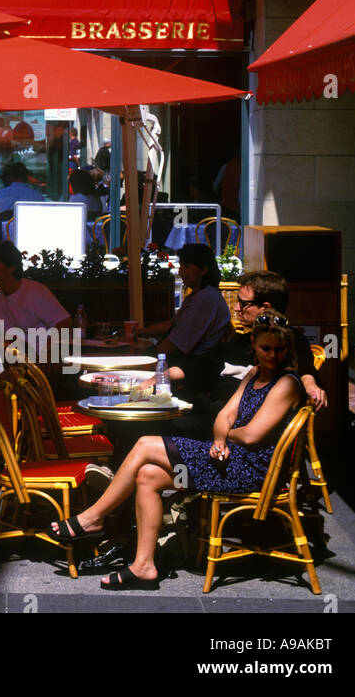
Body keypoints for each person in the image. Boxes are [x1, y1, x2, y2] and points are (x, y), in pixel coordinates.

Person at [51, 313, 303, 590]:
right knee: (147, 474)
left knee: (146, 443)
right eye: (265, 348)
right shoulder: (255, 374)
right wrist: (220, 440)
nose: (272, 355)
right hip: (228, 456)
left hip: (251, 471)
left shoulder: (286, 383)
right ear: (253, 345)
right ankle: (143, 565)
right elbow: (224, 417)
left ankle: (92, 518)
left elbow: (252, 436)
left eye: (279, 349)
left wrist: (226, 436)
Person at [139, 242, 232, 407]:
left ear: (203, 270)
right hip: (183, 366)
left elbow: (172, 345)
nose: (181, 271)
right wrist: (138, 333)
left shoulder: (206, 300)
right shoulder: (198, 295)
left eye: (187, 266)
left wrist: (142, 354)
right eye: (181, 265)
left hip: (192, 374)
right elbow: (172, 324)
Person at [223, 269, 325, 410]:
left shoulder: (289, 338)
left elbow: (305, 370)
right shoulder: (241, 340)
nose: (236, 308)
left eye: (243, 303)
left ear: (265, 308)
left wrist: (311, 386)